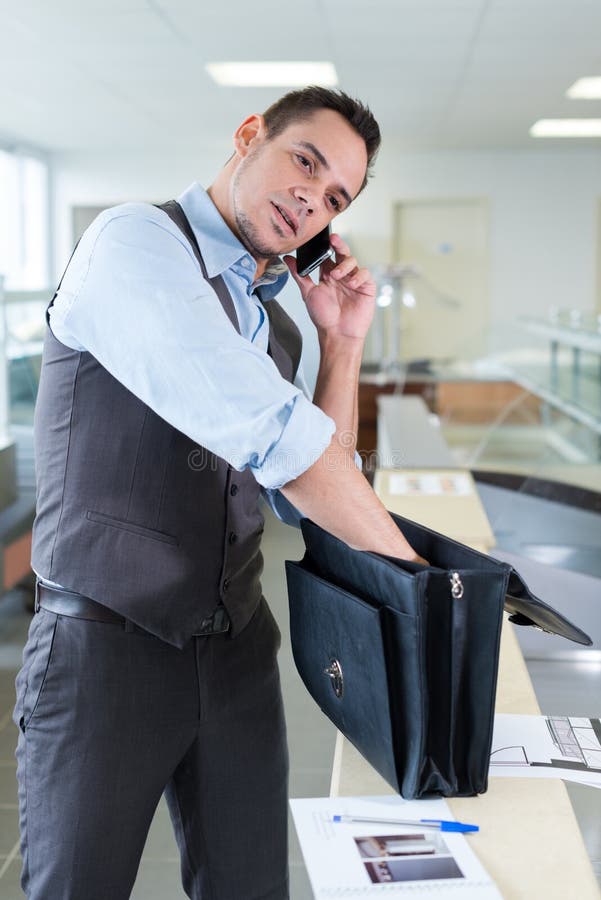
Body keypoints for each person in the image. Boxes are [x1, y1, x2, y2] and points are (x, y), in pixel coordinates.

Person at [13, 86, 421, 900]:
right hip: (104, 652)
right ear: (248, 136)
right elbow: (279, 438)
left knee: (248, 886)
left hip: (235, 648)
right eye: (304, 161)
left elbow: (301, 484)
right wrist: (426, 585)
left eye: (335, 196)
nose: (312, 198)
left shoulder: (279, 324)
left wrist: (341, 347)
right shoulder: (135, 240)